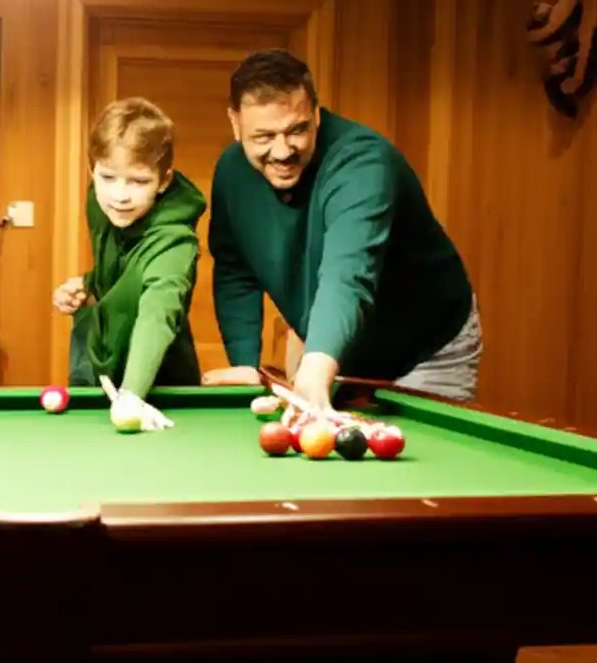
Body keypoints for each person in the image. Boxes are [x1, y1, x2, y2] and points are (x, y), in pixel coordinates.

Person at [202, 49, 482, 413]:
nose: (282, 151)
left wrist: (315, 366)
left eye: (297, 130)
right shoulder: (232, 173)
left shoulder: (362, 163)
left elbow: (347, 273)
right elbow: (235, 271)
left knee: (407, 452)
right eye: (264, 136)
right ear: (235, 124)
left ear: (317, 114)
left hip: (425, 350)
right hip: (339, 348)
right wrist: (246, 364)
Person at [53, 97, 206, 430]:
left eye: (138, 181)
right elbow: (121, 267)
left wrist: (132, 395)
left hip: (160, 391)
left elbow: (157, 313)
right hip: (101, 373)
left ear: (164, 181)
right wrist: (88, 285)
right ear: (93, 171)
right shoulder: (100, 203)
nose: (120, 195)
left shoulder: (175, 242)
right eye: (108, 177)